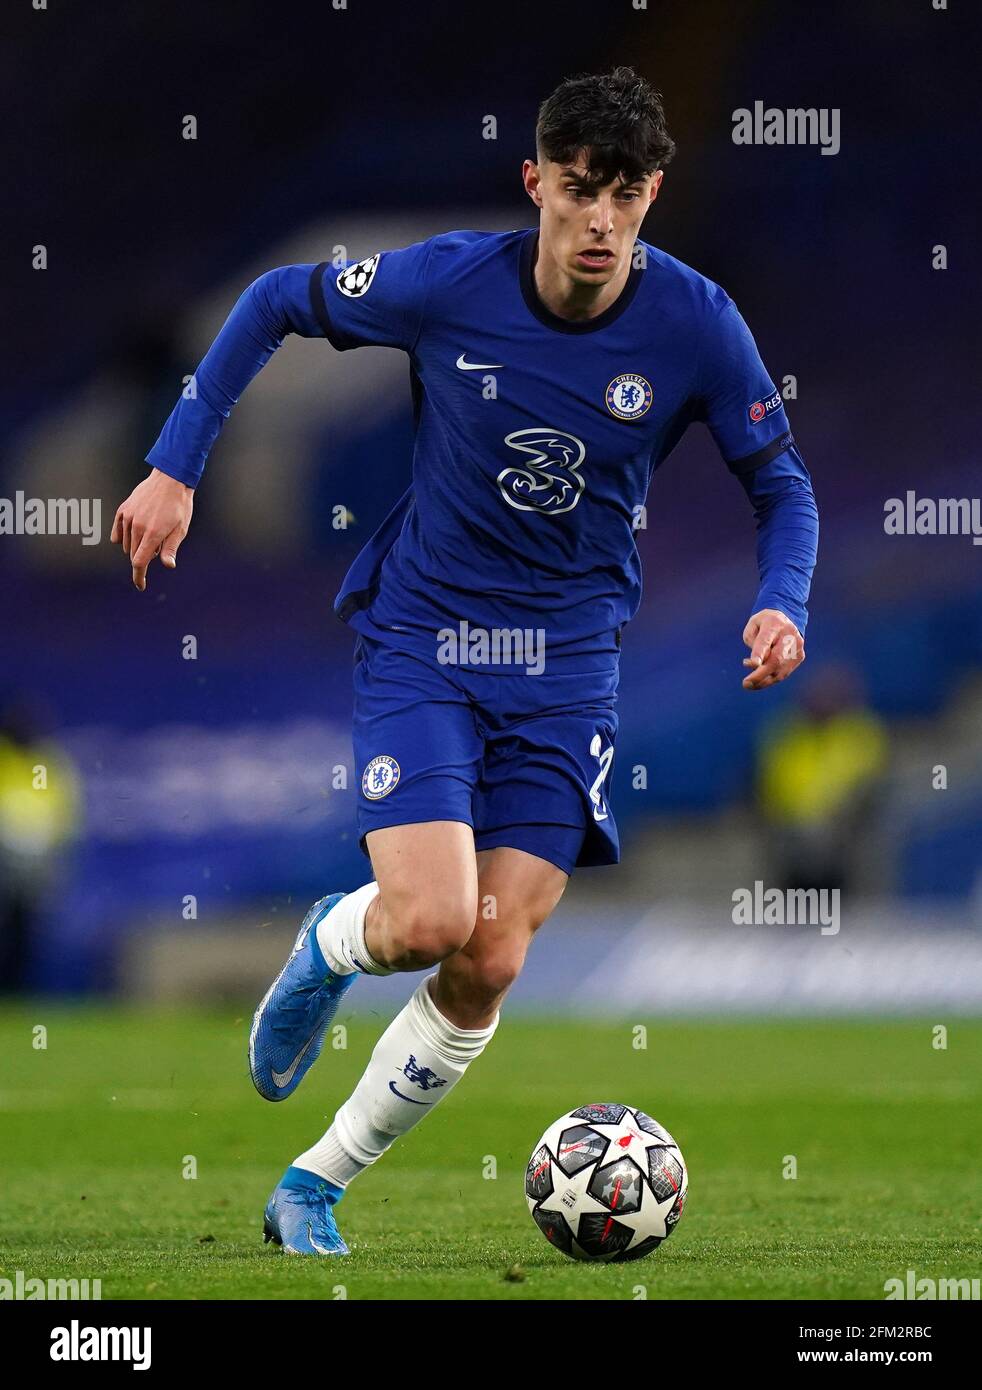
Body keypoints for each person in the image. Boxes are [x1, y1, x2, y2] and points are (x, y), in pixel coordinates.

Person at [111, 67, 818, 1255]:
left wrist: (781, 602)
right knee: (429, 920)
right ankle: (333, 942)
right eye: (580, 191)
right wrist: (176, 464)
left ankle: (313, 1186)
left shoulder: (697, 321)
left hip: (570, 666)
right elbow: (277, 300)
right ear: (534, 181)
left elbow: (781, 484)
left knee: (489, 956)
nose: (600, 222)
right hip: (426, 639)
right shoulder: (448, 284)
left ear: (653, 194)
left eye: (627, 196)